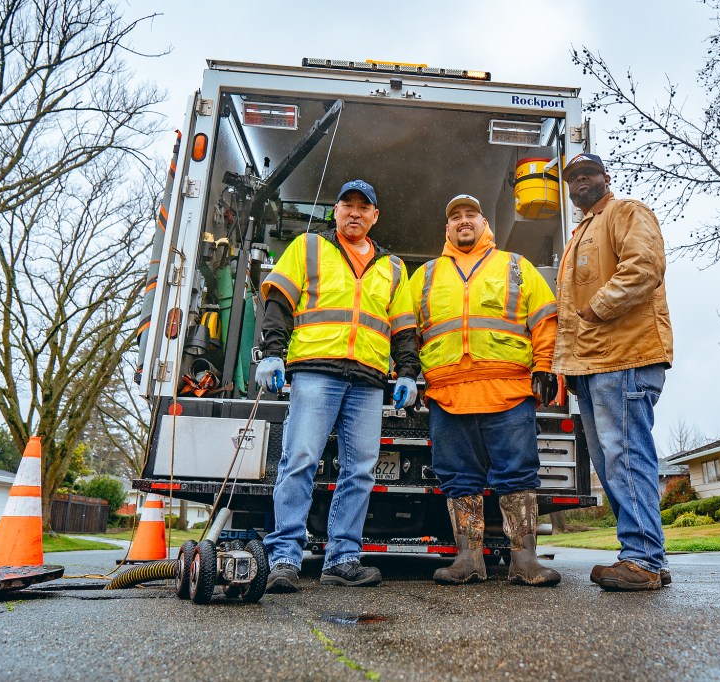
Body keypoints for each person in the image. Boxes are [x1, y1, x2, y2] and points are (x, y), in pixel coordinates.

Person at [256, 179, 420, 592]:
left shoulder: (393, 267)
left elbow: (403, 328)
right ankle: (284, 559)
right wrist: (272, 351)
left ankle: (343, 558)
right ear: (335, 211)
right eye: (347, 205)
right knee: (300, 461)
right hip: (315, 372)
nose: (355, 213)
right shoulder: (309, 247)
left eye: (364, 207)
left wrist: (406, 372)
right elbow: (279, 300)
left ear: (375, 217)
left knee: (360, 470)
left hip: (367, 380)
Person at [410, 194, 561, 586]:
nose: (463, 221)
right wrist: (408, 373)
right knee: (458, 478)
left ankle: (524, 561)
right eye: (455, 216)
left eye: (471, 215)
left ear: (484, 223)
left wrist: (544, 367)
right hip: (447, 396)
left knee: (517, 475)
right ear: (446, 228)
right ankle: (468, 560)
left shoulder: (516, 266)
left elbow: (545, 319)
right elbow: (404, 328)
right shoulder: (425, 275)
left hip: (508, 393)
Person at [553, 153, 674, 591]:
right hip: (592, 363)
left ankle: (641, 559)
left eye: (588, 175)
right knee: (610, 463)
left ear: (606, 178)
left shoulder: (627, 212)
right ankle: (648, 558)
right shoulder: (581, 231)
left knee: (625, 455)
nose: (580, 182)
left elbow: (644, 268)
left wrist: (599, 307)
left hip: (624, 358)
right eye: (573, 178)